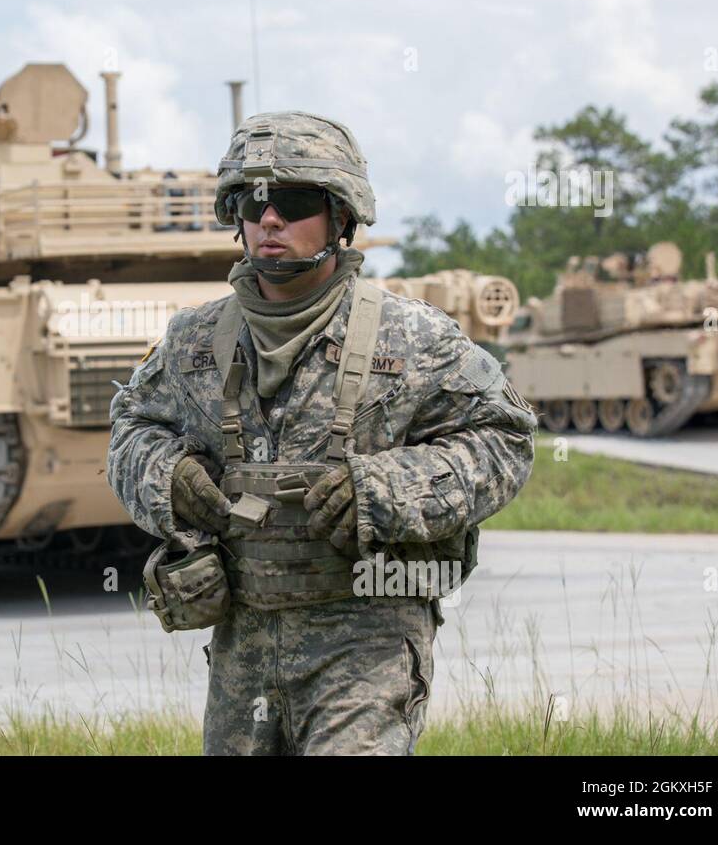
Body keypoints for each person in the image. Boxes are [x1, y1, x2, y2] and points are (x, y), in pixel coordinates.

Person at [107, 111, 537, 755]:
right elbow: (130, 429)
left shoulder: (410, 337)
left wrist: (385, 488)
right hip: (242, 643)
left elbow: (505, 439)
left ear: (341, 217)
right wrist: (166, 476)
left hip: (365, 639)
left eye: (295, 201)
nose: (270, 219)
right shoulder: (196, 341)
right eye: (253, 203)